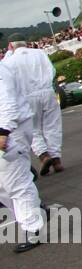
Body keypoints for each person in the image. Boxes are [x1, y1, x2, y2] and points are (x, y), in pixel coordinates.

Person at [0, 51, 46, 253]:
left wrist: (3, 131)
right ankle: (35, 209)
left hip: (11, 130)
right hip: (10, 128)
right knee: (4, 185)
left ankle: (33, 229)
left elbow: (7, 102)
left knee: (16, 183)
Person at [4, 43, 62, 175]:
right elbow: (52, 71)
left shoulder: (10, 60)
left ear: (11, 46)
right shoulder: (40, 52)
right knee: (52, 126)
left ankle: (43, 155)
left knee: (33, 128)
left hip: (27, 95)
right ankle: (56, 159)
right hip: (47, 91)